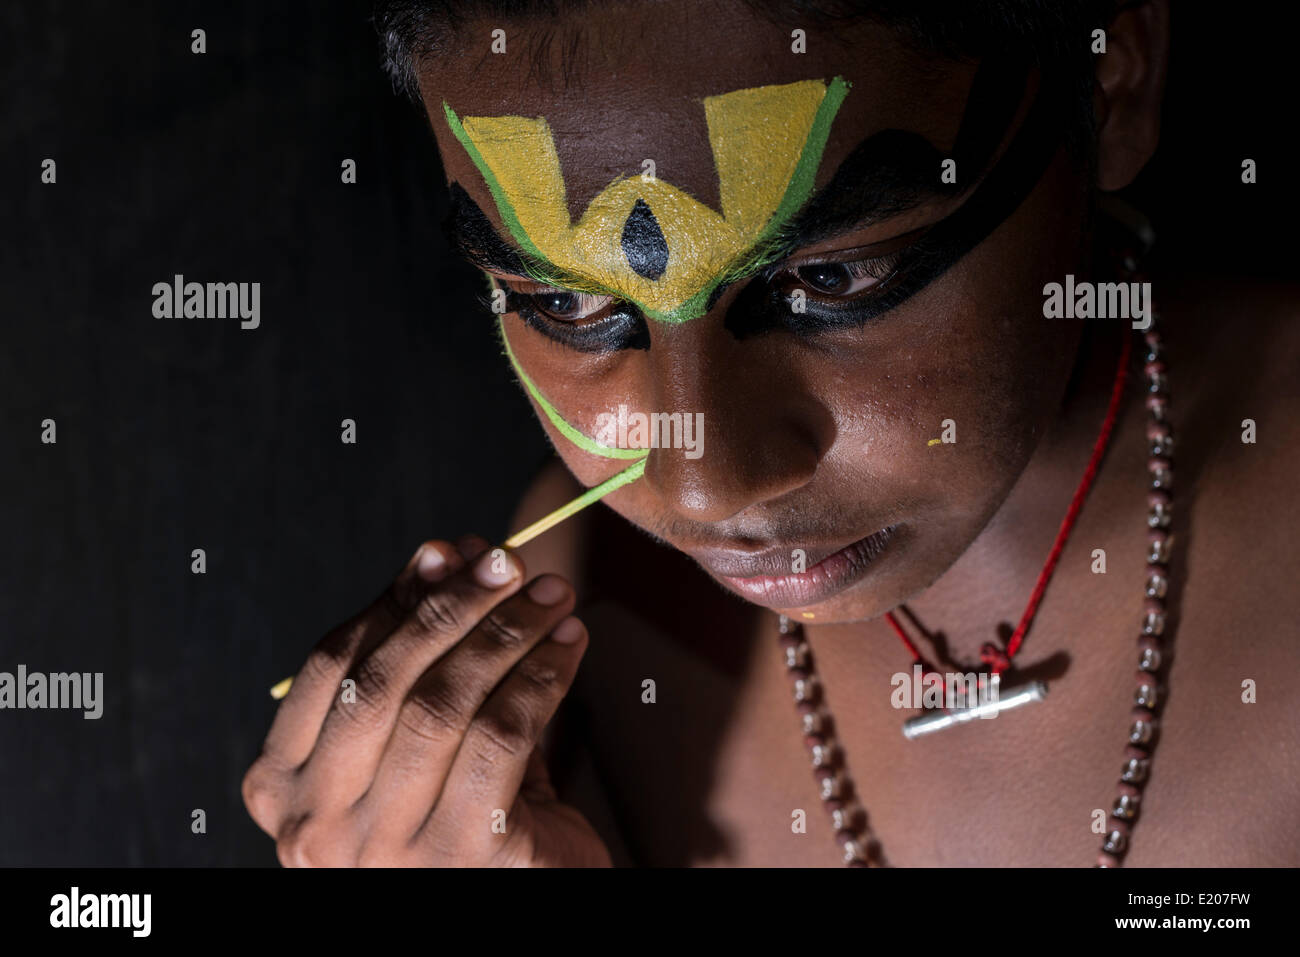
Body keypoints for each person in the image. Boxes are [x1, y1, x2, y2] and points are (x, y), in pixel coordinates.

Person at [242, 0, 1300, 866]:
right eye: (564, 306)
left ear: (1109, 76)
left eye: (829, 277)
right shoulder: (575, 631)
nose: (705, 487)